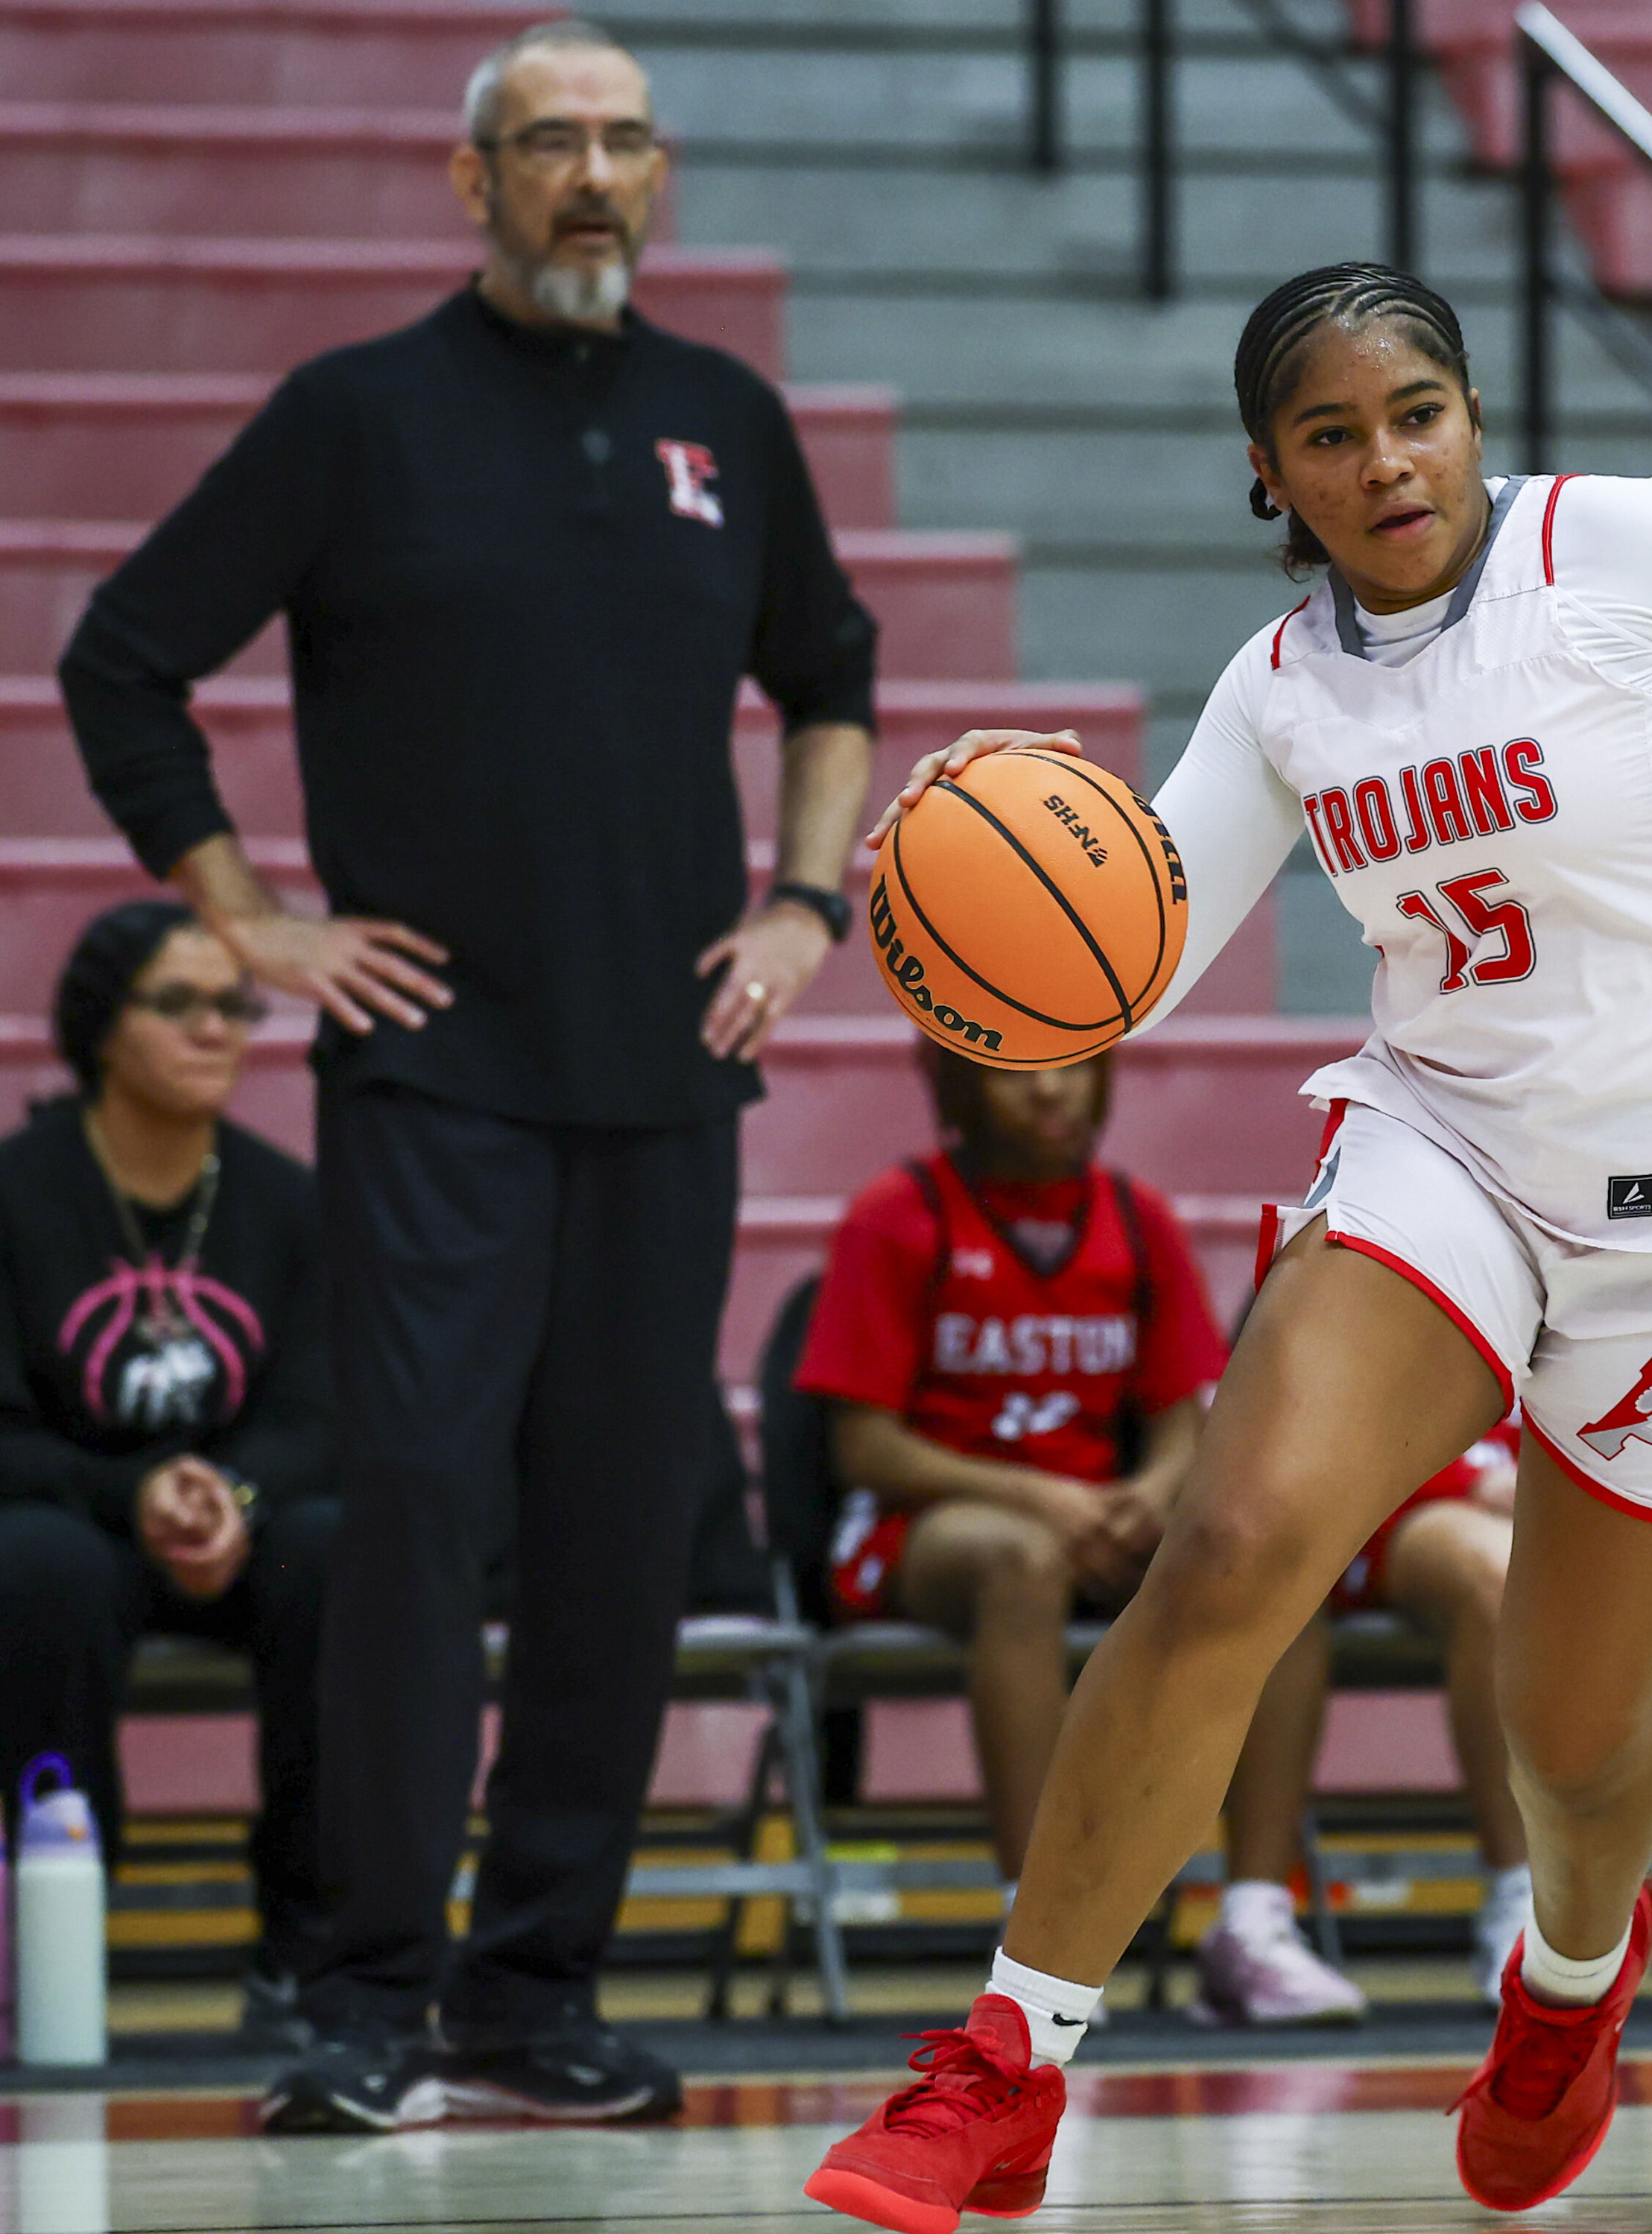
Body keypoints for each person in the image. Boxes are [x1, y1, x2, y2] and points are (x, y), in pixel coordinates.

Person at [802, 259, 1652, 2233]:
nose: (1384, 462)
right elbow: (1122, 967)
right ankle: (1007, 2060)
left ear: (1469, 414)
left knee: (1573, 1730)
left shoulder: (1616, 546)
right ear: (1269, 471)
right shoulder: (1277, 687)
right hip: (1448, 1148)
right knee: (1232, 1542)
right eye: (1331, 435)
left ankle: (1571, 1978)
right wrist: (973, 878)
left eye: (1413, 414)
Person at [58, 20, 880, 2131]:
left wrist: (805, 905)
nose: (592, 175)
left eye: (624, 140)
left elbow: (832, 677)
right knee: (418, 1514)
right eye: (550, 142)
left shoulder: (727, 419)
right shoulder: (357, 416)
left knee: (616, 1538)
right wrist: (251, 917)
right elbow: (123, 659)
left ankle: (536, 1987)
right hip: (436, 1077)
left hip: (666, 1075)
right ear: (475, 178)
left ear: (658, 172)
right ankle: (363, 1993)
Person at [797, 1043, 1364, 2025]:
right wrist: (1040, 1498)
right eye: (1017, 1070)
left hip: (1097, 1515)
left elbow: (1186, 1416)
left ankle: (1253, 1925)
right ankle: (1036, 1942)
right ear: (958, 1083)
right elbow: (866, 1446)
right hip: (926, 1528)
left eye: (1071, 1066)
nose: (1050, 1087)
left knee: (1266, 1564)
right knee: (1018, 1563)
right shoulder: (897, 1214)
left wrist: (1149, 1490)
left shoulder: (1137, 1218)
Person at [0, 902, 338, 2048]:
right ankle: (65, 1933)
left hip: (239, 1529)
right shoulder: (19, 1193)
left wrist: (232, 1498)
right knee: (38, 1568)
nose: (216, 1029)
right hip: (76, 1521)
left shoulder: (289, 1202)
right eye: (179, 1003)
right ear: (102, 1027)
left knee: (335, 1548)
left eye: (234, 1004)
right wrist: (132, 1493)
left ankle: (305, 1947)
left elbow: (322, 1418)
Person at [1327, 1427, 1534, 2002]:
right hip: (1407, 1505)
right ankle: (1524, 1892)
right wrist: (1474, 1481)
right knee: (1505, 1571)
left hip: (1569, 1499)